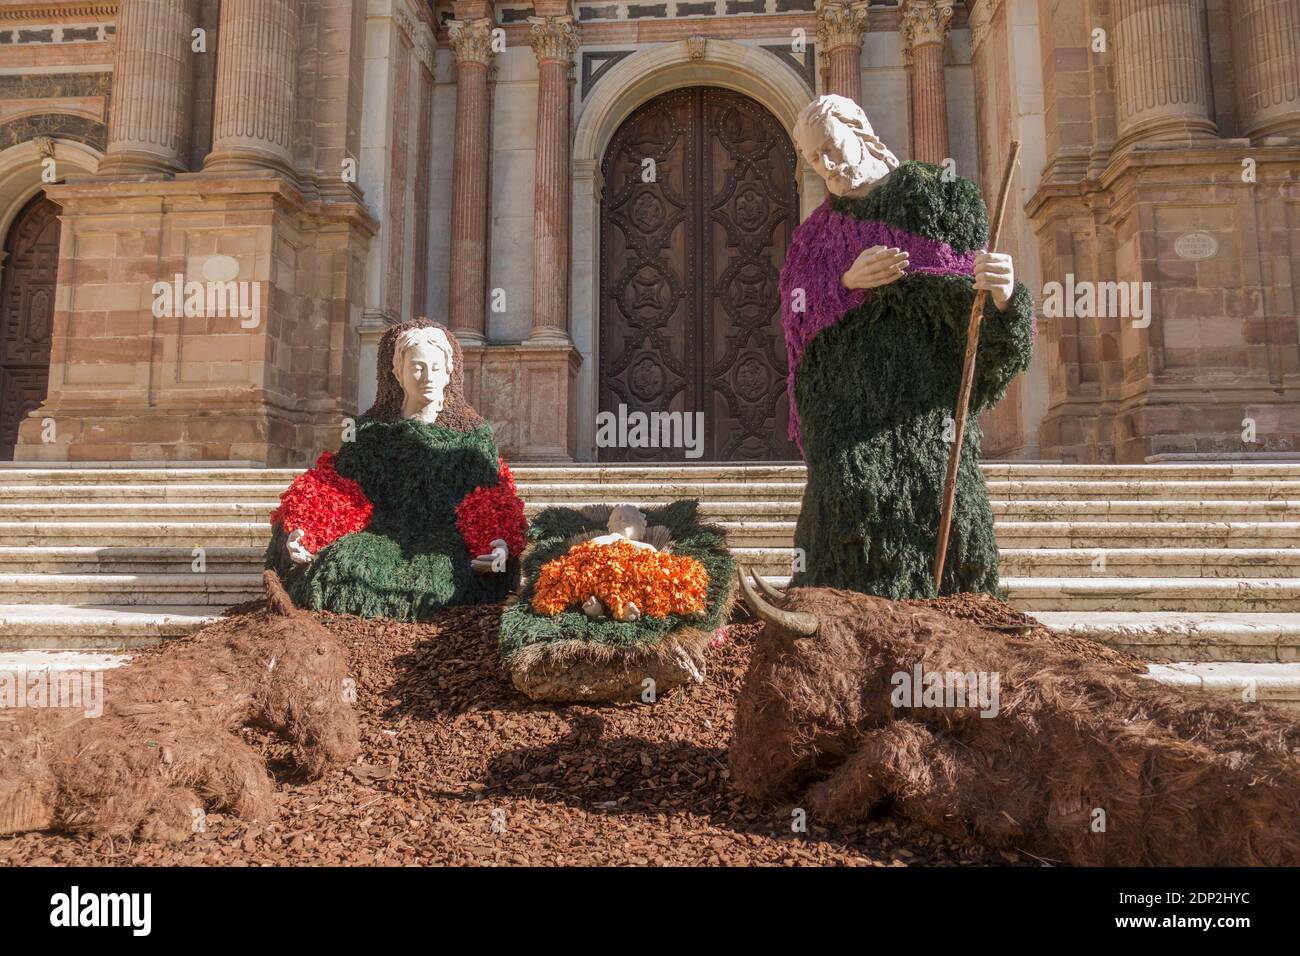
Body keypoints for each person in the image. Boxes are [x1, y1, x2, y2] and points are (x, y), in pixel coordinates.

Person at [781, 95, 1034, 598]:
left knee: (946, 519)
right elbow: (797, 315)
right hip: (846, 423)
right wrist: (846, 284)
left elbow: (973, 304)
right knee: (845, 522)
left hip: (928, 415)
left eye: (832, 147)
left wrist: (1003, 293)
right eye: (814, 159)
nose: (826, 165)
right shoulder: (812, 239)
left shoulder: (940, 200)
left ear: (860, 128)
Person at [265, 319, 527, 619]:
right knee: (343, 566)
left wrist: (497, 540)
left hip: (444, 541)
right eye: (417, 367)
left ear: (449, 372)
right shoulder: (368, 433)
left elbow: (489, 496)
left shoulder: (471, 435)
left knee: (447, 575)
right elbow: (338, 491)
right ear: (397, 373)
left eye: (436, 368)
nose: (427, 376)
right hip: (377, 535)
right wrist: (304, 529)